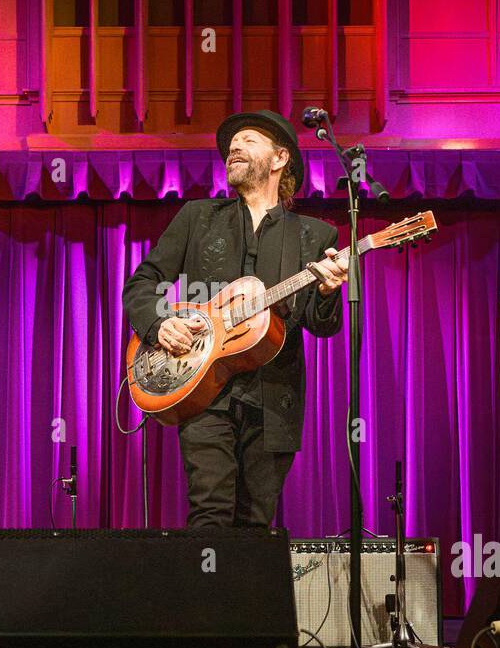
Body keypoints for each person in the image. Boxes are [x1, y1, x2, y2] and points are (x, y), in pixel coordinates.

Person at [123, 110, 348, 528]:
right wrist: (158, 324)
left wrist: (327, 291)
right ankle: (206, 594)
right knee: (210, 512)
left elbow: (322, 325)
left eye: (248, 140)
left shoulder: (314, 236)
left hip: (275, 398)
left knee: (256, 523)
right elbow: (144, 281)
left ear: (280, 158)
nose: (234, 148)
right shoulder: (198, 217)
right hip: (202, 388)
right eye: (231, 144)